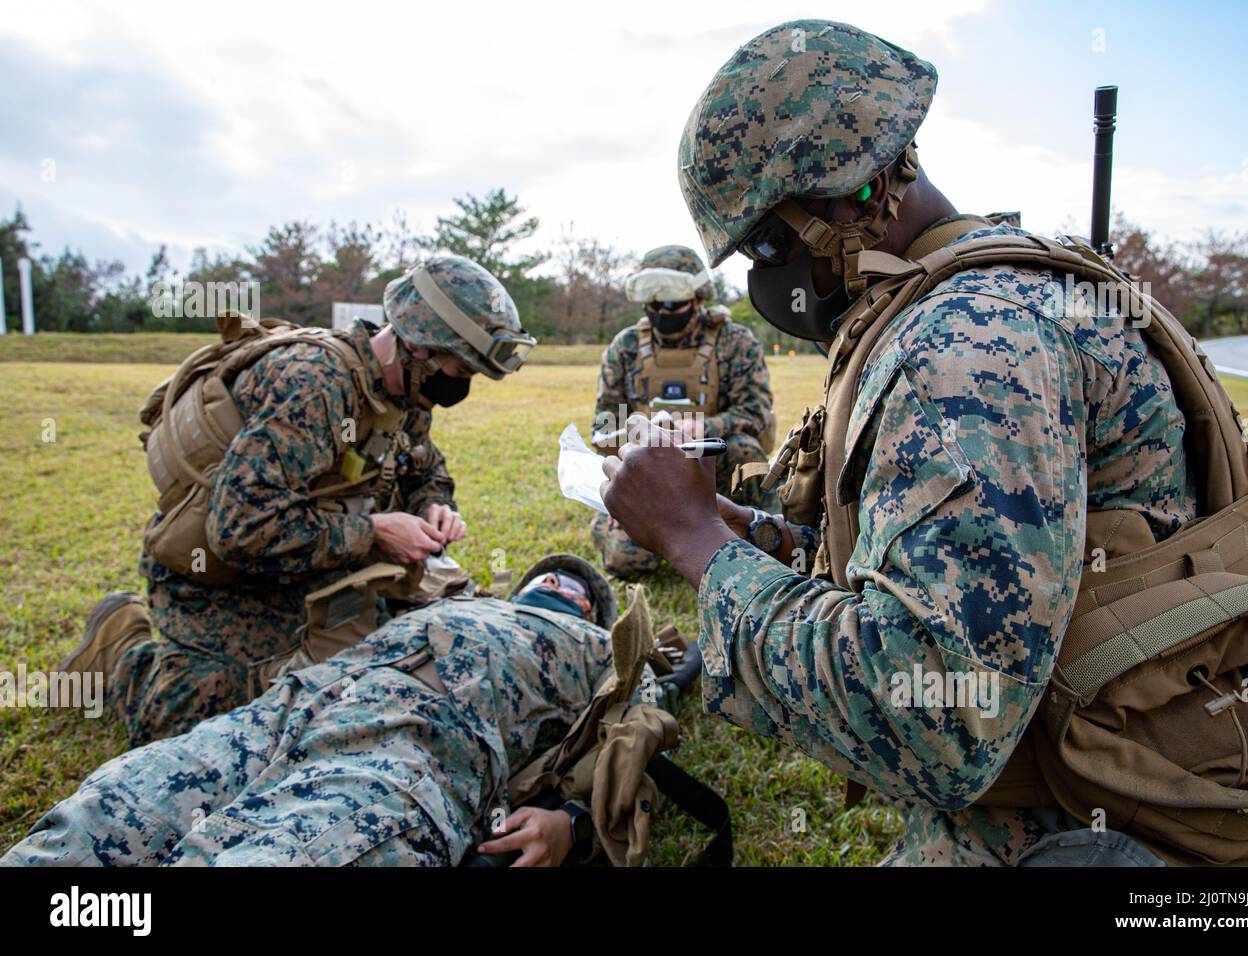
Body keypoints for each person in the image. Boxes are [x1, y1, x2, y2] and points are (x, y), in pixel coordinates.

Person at [600, 20, 1226, 866]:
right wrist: (757, 534)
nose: (766, 278)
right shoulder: (1012, 287)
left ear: (842, 201)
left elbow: (933, 718)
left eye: (765, 245)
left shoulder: (965, 346)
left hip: (1103, 823)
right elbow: (947, 573)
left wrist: (695, 541)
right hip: (1132, 758)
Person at [62, 254, 536, 746]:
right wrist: (374, 533)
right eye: (461, 368)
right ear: (418, 346)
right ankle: (118, 646)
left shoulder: (404, 394)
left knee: (405, 659)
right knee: (227, 718)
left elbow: (425, 468)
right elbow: (240, 527)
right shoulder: (314, 384)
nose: (463, 384)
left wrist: (433, 505)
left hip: (314, 566)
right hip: (224, 583)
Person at [3, 556, 657, 868]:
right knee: (107, 818)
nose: (558, 584)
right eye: (549, 575)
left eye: (576, 586)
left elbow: (641, 737)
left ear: (593, 611)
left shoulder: (603, 647)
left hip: (421, 741)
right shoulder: (451, 597)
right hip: (301, 701)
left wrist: (572, 825)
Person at [590, 244, 777, 577]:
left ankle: (761, 525)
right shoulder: (626, 347)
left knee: (748, 455)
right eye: (655, 305)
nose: (664, 312)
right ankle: (617, 519)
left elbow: (755, 412)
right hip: (649, 468)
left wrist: (701, 427)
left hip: (715, 460)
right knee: (626, 561)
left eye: (674, 305)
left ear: (699, 299)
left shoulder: (734, 341)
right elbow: (604, 424)